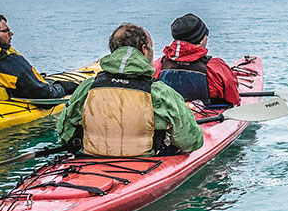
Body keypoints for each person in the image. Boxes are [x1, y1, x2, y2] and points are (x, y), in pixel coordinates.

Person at [56, 23, 203, 156]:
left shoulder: (87, 87)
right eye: (151, 48)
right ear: (144, 50)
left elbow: (65, 135)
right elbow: (191, 141)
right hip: (144, 164)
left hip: (89, 159)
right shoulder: (159, 91)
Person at [153, 13, 242, 106]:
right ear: (201, 39)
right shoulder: (215, 67)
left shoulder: (159, 65)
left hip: (171, 115)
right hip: (210, 116)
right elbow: (234, 99)